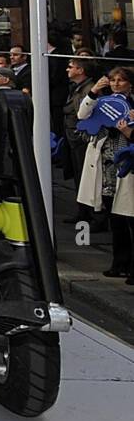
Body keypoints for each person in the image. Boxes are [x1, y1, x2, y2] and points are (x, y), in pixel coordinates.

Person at [76, 67, 134, 278]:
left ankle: (130, 266)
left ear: (130, 84)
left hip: (127, 166)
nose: (116, 84)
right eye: (112, 80)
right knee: (115, 218)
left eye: (121, 80)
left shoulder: (130, 105)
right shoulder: (102, 102)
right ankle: (119, 263)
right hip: (105, 165)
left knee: (129, 218)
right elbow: (82, 114)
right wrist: (93, 93)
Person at [62, 54, 96, 202]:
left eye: (71, 67)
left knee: (83, 175)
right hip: (73, 137)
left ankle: (87, 213)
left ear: (80, 70)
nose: (67, 69)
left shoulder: (88, 89)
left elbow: (83, 114)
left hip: (81, 138)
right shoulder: (76, 87)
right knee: (78, 174)